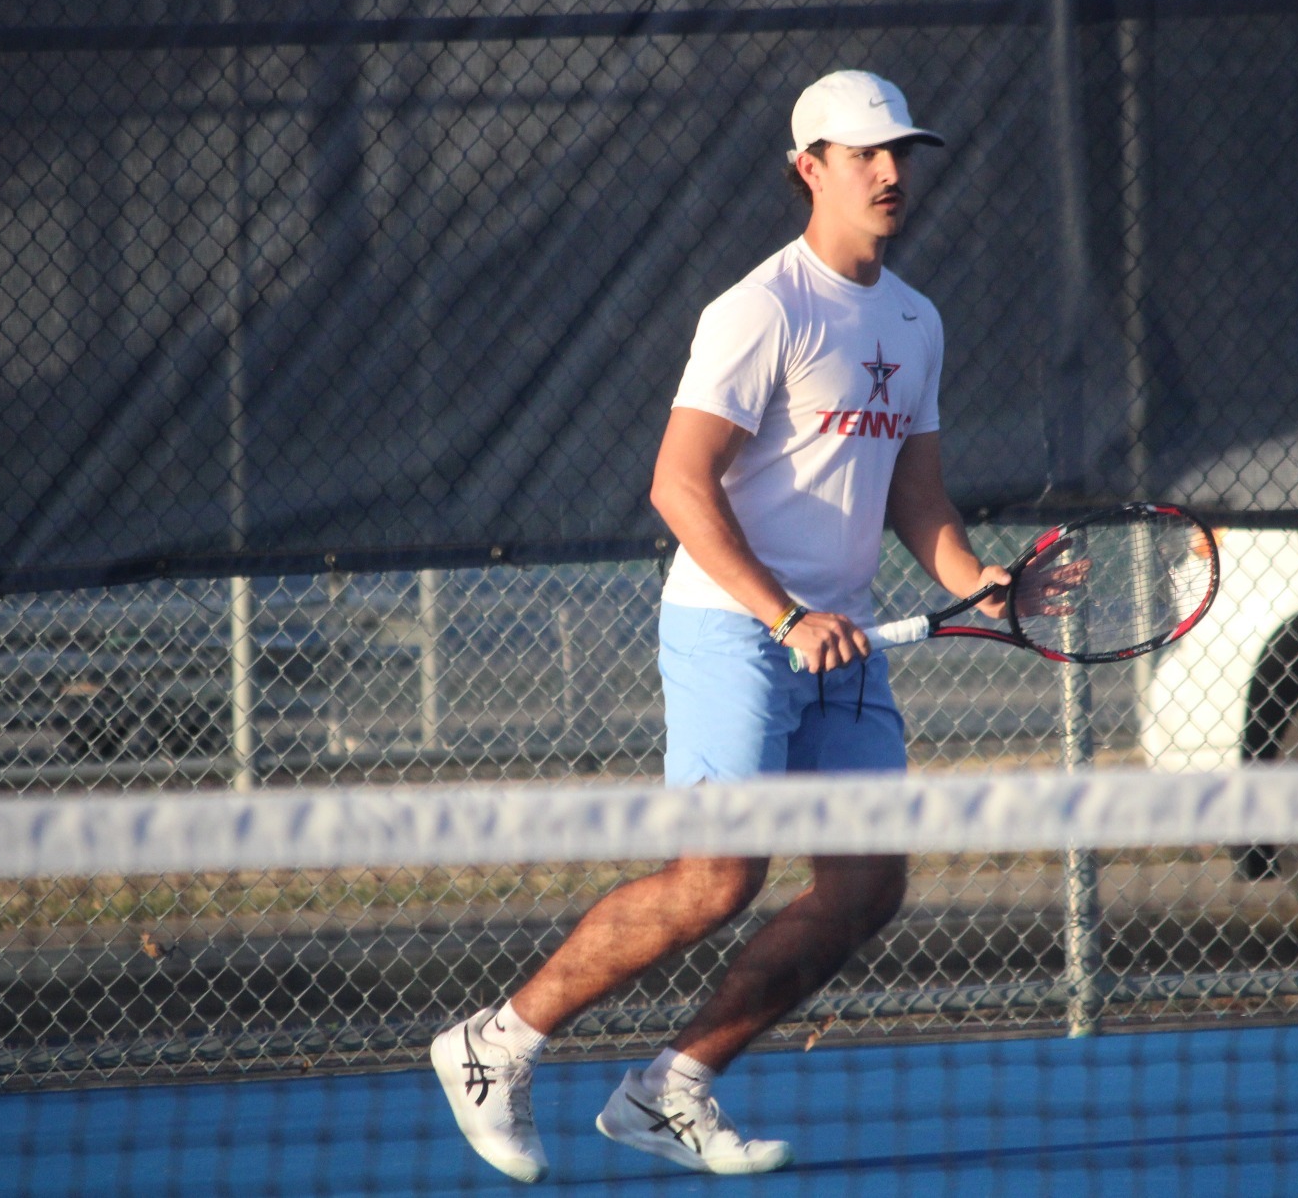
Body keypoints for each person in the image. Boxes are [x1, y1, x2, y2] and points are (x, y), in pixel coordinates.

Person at [431, 69, 1009, 1181]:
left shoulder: (914, 319)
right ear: (809, 169)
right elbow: (676, 486)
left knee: (864, 887)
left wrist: (976, 576)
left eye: (900, 152)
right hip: (733, 626)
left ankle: (672, 1086)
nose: (889, 173)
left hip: (833, 640)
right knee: (715, 877)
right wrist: (782, 613)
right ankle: (492, 1044)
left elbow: (917, 500)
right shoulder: (761, 308)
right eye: (861, 154)